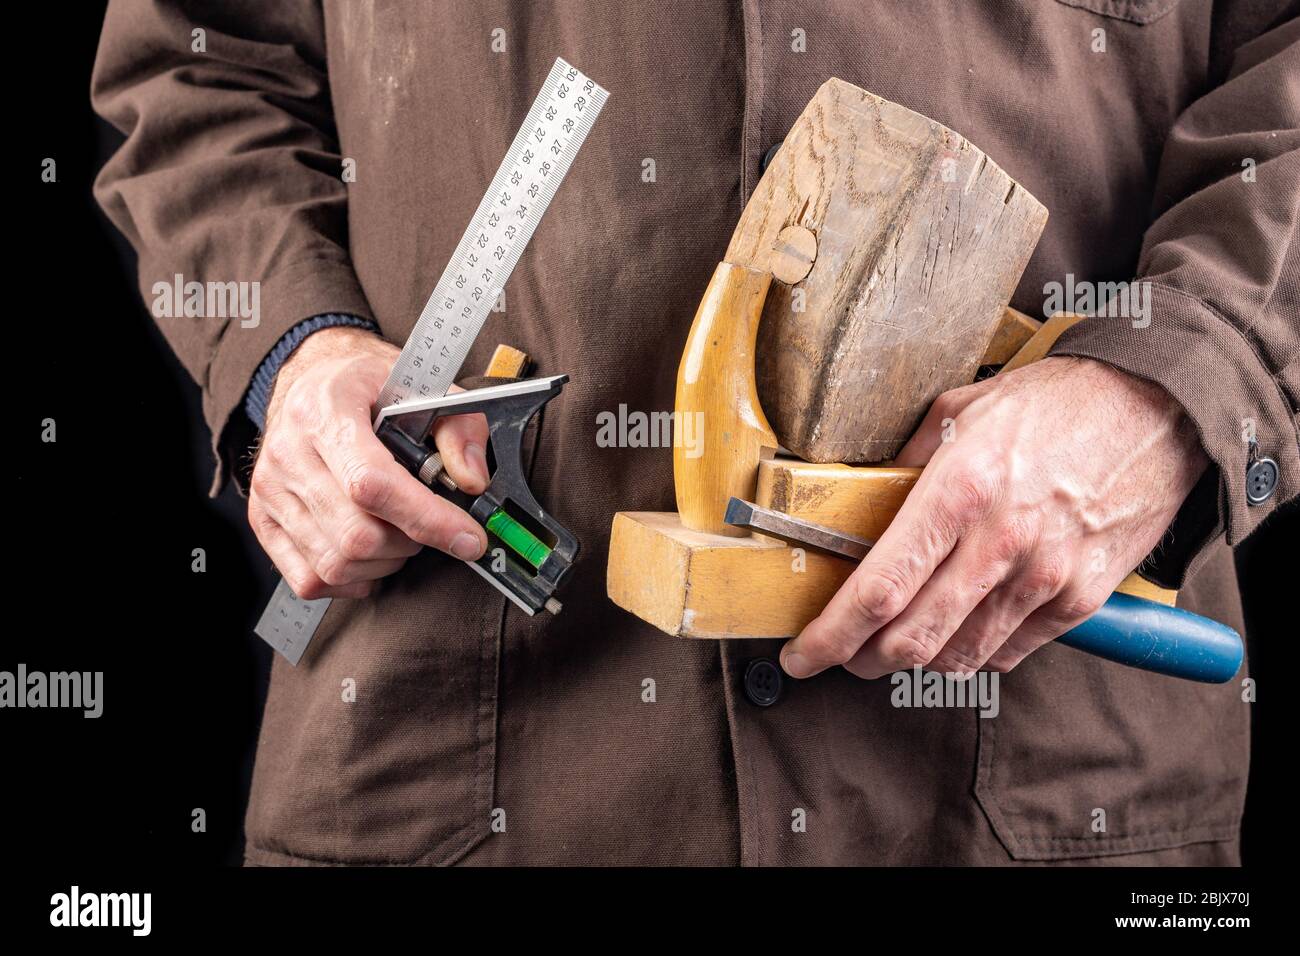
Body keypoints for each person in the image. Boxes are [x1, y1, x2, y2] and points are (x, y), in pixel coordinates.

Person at [92, 1, 1297, 865]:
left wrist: (1178, 377)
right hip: (451, 764)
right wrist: (293, 351)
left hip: (1037, 767)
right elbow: (198, 65)